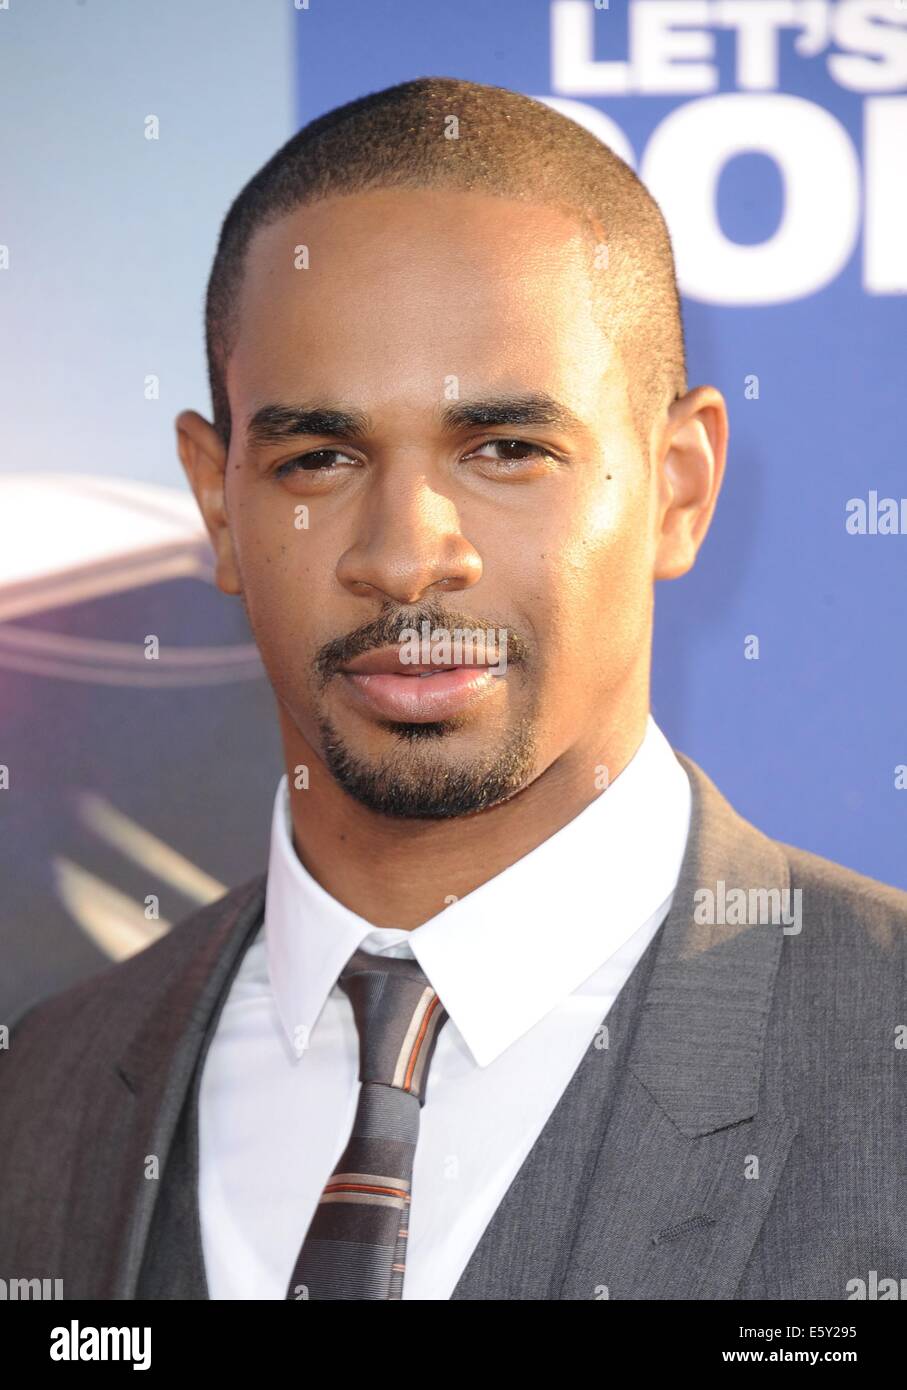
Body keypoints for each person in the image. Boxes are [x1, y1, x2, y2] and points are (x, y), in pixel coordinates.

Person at [1, 77, 905, 1302]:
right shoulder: (38, 1089)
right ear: (219, 502)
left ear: (678, 487)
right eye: (318, 455)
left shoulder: (879, 1046)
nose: (407, 553)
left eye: (506, 450)